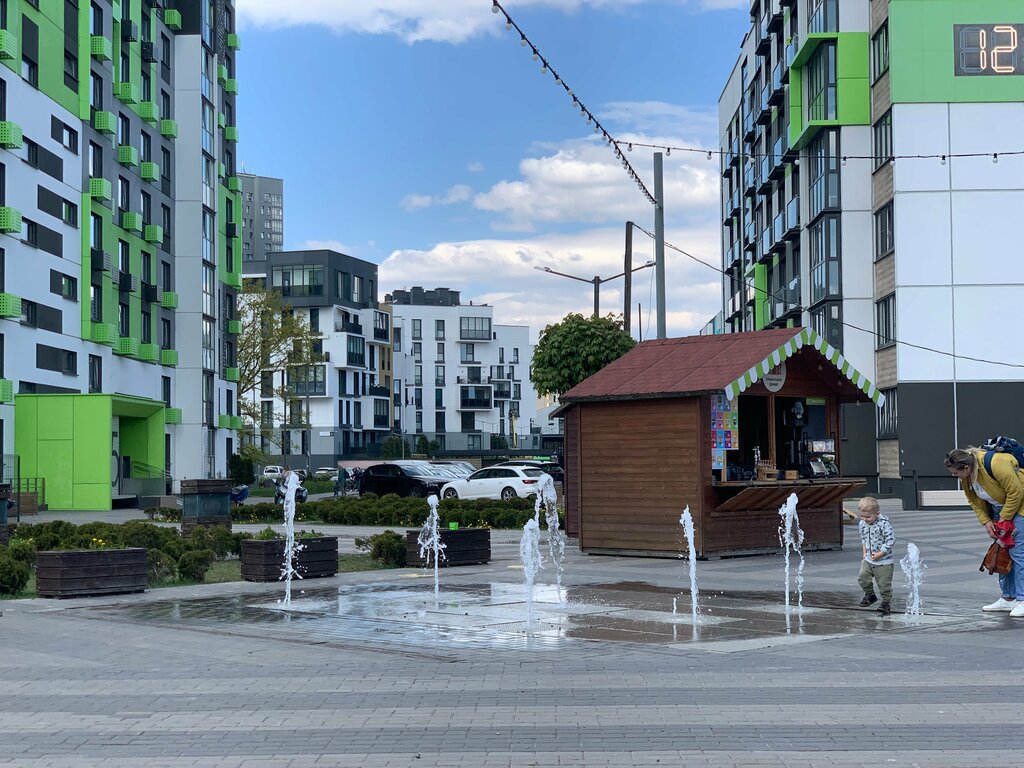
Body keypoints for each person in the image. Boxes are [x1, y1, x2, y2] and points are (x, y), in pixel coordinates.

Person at [945, 448, 1024, 617]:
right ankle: (1008, 598)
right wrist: (986, 521)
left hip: (1020, 508)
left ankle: (1023, 599)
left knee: (1018, 553)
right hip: (999, 509)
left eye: (955, 473)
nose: (954, 476)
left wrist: (1004, 518)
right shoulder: (966, 477)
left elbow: (1016, 492)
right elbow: (973, 500)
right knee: (1004, 552)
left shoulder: (996, 463)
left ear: (966, 467)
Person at [856, 497, 895, 616]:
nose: (864, 519)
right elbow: (863, 539)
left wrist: (881, 553)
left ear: (877, 514)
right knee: (862, 577)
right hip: (868, 558)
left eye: (868, 517)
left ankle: (886, 603)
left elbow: (890, 540)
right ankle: (870, 595)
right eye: (862, 516)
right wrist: (864, 552)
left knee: (884, 584)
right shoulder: (862, 524)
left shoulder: (884, 524)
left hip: (884, 560)